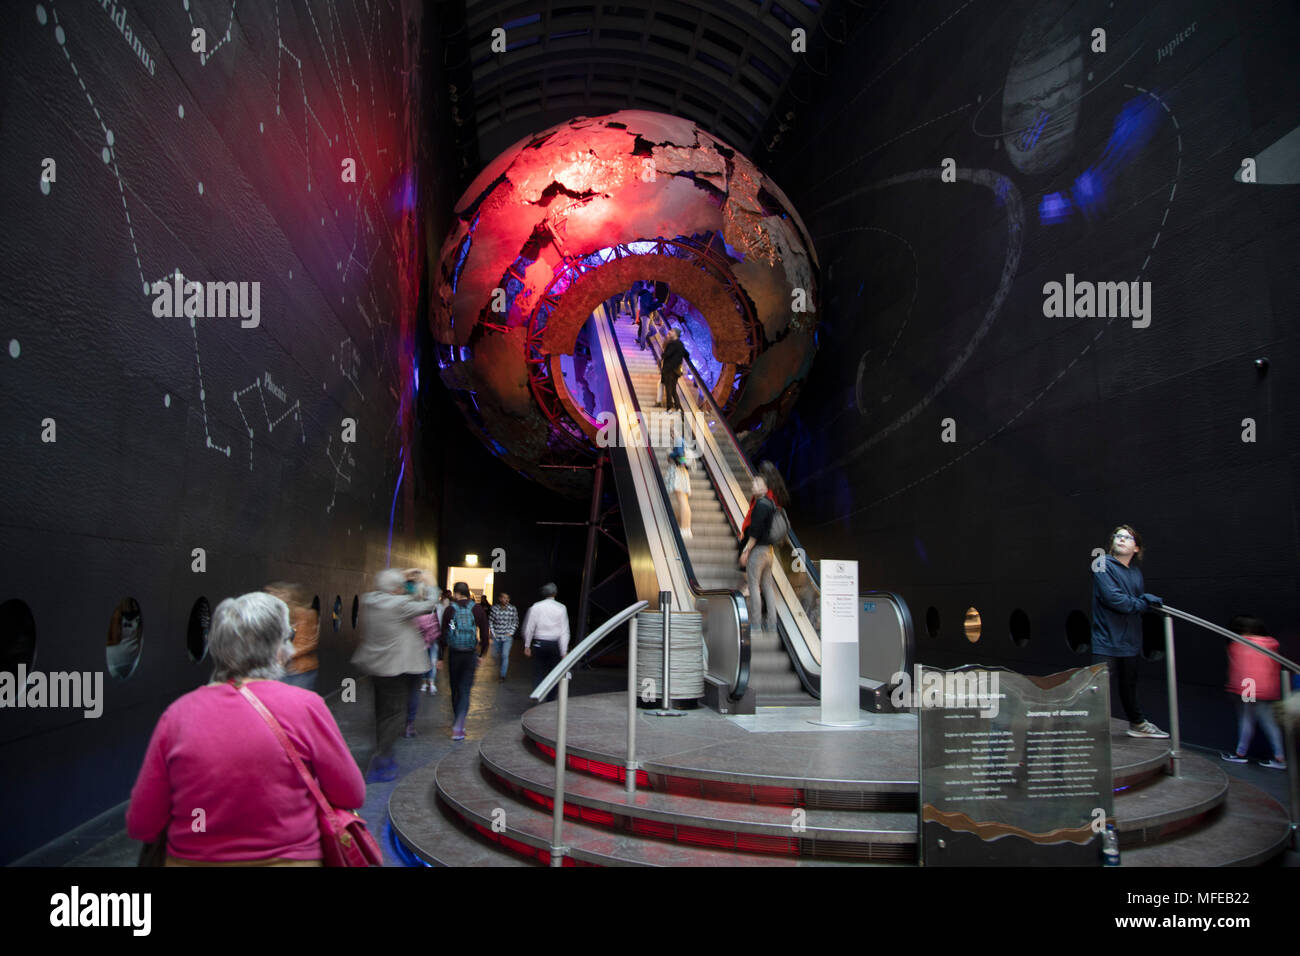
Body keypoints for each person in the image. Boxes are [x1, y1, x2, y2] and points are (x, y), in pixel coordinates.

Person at [126, 592, 364, 865]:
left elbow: (141, 823)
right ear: (278, 649)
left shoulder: (178, 714)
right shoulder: (306, 707)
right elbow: (351, 793)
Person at [352, 568, 439, 780]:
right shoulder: (397, 605)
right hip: (395, 667)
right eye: (400, 585)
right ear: (395, 589)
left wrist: (401, 576)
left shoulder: (370, 600)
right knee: (395, 713)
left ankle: (382, 750)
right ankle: (381, 760)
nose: (403, 588)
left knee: (382, 710)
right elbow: (428, 605)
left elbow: (393, 591)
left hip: (376, 666)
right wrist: (430, 583)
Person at [1091, 525, 1168, 738]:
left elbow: (1130, 602)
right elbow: (1115, 600)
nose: (1121, 539)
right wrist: (1143, 602)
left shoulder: (1135, 572)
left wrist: (1140, 602)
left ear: (1136, 548)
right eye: (1118, 536)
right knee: (1098, 688)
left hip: (1130, 639)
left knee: (1129, 684)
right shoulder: (1101, 564)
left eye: (1127, 537)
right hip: (1106, 639)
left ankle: (1137, 724)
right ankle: (1092, 731)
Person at [1222, 615, 1286, 769]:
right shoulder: (1271, 644)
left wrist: (1234, 689)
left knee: (1246, 719)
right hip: (1267, 689)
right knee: (1269, 722)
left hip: (1248, 687)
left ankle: (1240, 753)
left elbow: (1240, 670)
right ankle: (1280, 757)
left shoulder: (1238, 645)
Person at [738, 461, 788, 634]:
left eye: (757, 482)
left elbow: (755, 533)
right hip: (769, 552)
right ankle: (772, 625)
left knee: (754, 587)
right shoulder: (772, 504)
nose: (753, 484)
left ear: (766, 487)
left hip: (758, 551)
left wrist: (746, 551)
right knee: (767, 588)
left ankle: (756, 626)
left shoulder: (760, 504)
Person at [437, 582, 489, 740]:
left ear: (456, 593)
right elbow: (485, 635)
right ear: (468, 592)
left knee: (455, 688)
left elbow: (446, 632)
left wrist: (440, 656)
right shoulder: (477, 609)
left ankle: (456, 721)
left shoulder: (450, 609)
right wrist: (482, 654)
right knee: (465, 689)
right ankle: (459, 725)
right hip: (469, 654)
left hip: (454, 654)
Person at [266, 582, 319, 692]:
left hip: (299, 671)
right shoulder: (276, 614)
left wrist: (281, 655)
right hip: (279, 670)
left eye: (280, 593)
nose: (274, 596)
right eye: (271, 593)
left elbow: (308, 643)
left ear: (291, 595)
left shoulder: (306, 614)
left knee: (296, 705)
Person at [524, 583, 570, 703]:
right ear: (555, 593)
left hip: (539, 643)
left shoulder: (536, 606)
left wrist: (527, 645)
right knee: (553, 673)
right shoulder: (561, 608)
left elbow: (530, 627)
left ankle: (537, 695)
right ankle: (550, 700)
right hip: (554, 644)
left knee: (538, 671)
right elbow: (564, 631)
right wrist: (564, 651)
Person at [489, 591, 520, 682]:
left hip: (507, 637)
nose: (505, 600)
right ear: (500, 598)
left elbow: (515, 621)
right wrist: (493, 633)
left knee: (505, 655)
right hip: (497, 636)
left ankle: (502, 675)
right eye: (503, 598)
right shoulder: (494, 608)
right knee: (496, 655)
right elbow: (490, 621)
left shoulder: (512, 609)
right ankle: (501, 669)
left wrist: (511, 632)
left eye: (507, 598)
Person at [660, 327, 688, 411]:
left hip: (669, 369)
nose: (670, 332)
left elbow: (667, 354)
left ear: (675, 334)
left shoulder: (672, 344)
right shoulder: (681, 344)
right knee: (673, 389)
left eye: (671, 331)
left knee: (668, 389)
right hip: (676, 370)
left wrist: (663, 355)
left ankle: (669, 408)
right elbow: (687, 354)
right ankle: (677, 406)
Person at [666, 448, 692, 539]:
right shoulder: (686, 449)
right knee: (684, 501)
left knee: (682, 502)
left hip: (678, 476)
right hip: (683, 475)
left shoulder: (680, 448)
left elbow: (671, 460)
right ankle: (686, 528)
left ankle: (685, 529)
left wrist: (672, 454)